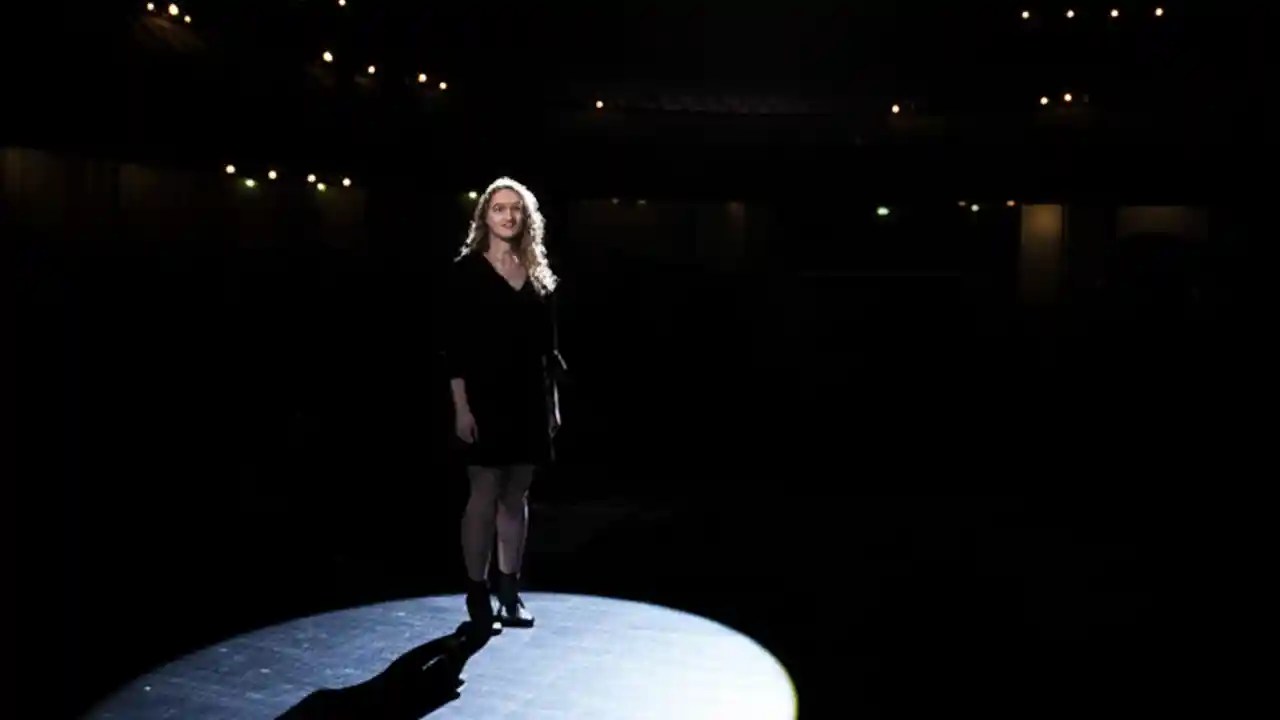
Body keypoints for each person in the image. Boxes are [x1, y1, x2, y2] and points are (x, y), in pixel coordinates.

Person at [440, 177, 566, 630]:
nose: (508, 215)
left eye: (516, 208)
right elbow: (454, 347)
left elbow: (549, 350)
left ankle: (509, 593)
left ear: (526, 217)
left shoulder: (538, 274)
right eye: (499, 208)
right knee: (484, 493)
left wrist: (552, 405)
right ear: (485, 217)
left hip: (528, 395)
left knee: (516, 495)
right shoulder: (466, 272)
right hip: (483, 395)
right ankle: (477, 593)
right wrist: (461, 408)